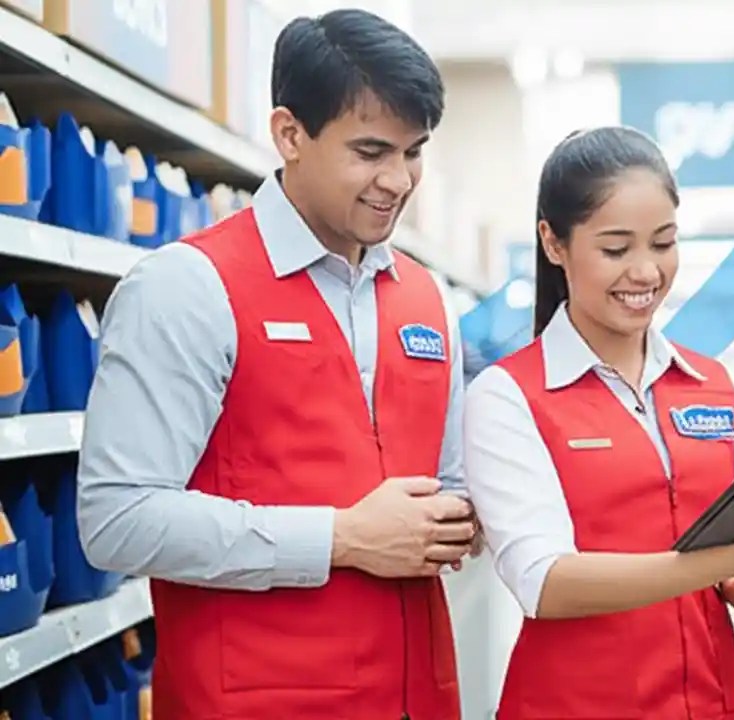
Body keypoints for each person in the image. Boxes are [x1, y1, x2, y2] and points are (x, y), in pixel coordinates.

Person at [76, 9, 477, 719]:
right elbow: (117, 518)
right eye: (371, 151)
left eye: (413, 152)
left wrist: (465, 516)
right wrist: (342, 538)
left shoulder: (426, 299)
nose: (397, 179)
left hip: (418, 697)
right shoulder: (188, 287)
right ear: (290, 134)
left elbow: (446, 485)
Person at [462, 126, 734, 720]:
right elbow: (544, 583)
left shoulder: (717, 387)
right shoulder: (508, 396)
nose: (646, 272)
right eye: (616, 250)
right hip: (574, 706)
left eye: (664, 242)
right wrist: (726, 559)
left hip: (712, 702)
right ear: (553, 243)